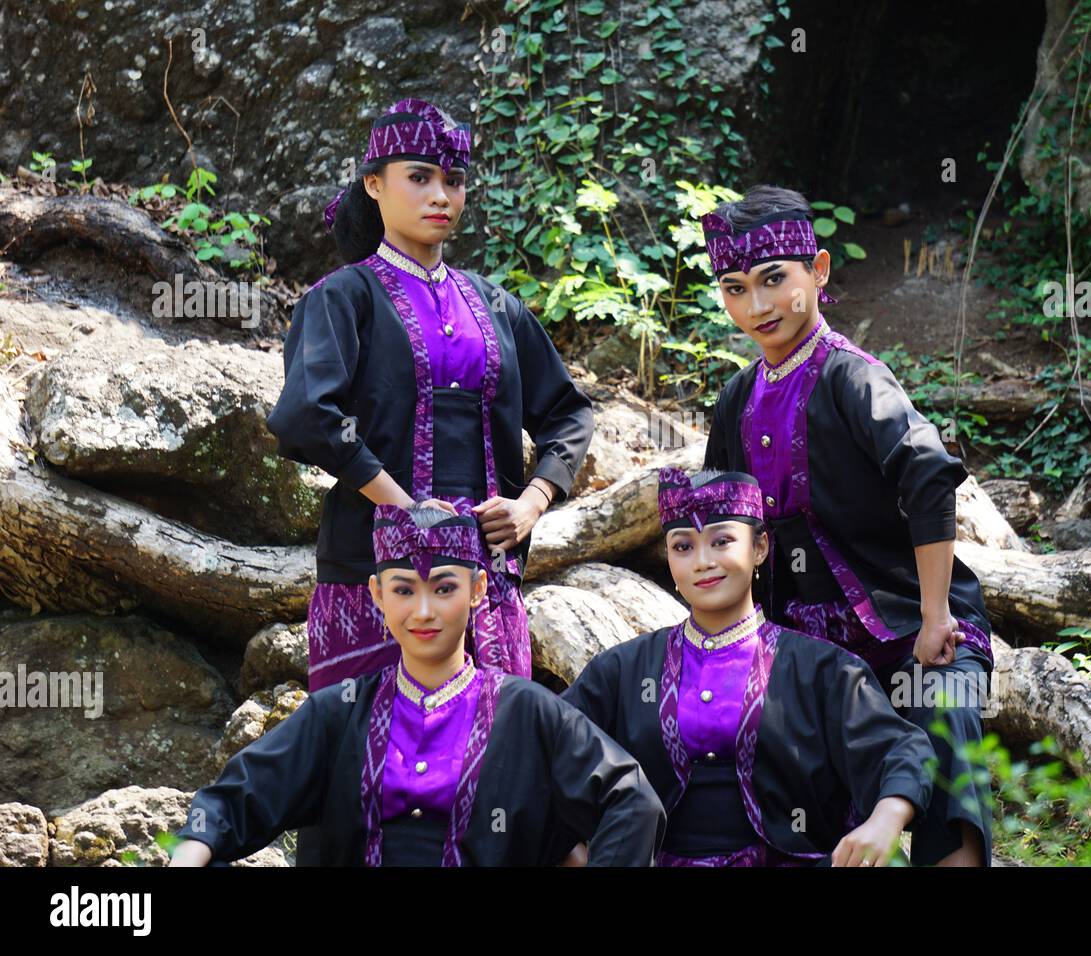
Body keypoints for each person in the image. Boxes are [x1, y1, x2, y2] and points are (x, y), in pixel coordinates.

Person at [700, 184, 996, 866]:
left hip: (909, 630)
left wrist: (931, 617)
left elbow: (928, 476)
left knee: (944, 731)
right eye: (736, 288)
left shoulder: (856, 380)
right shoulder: (736, 400)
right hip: (803, 649)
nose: (759, 306)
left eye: (775, 280)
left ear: (820, 271)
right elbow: (720, 520)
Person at [267, 97, 593, 692]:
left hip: (484, 579)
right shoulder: (343, 298)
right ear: (374, 184)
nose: (441, 195)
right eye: (419, 178)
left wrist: (532, 503)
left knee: (489, 761)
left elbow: (567, 411)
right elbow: (309, 414)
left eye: (455, 180)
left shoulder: (498, 307)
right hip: (373, 576)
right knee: (368, 755)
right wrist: (402, 506)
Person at [169, 504, 665, 867]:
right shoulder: (340, 712)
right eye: (404, 590)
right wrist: (189, 854)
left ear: (476, 591)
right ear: (377, 596)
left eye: (444, 587)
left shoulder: (527, 711)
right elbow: (236, 797)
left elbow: (632, 799)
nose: (423, 612)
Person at [560, 468, 936, 866]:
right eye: (682, 547)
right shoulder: (622, 670)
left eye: (721, 541)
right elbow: (542, 750)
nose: (702, 562)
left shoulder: (822, 670)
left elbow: (902, 750)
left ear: (760, 548)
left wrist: (887, 817)